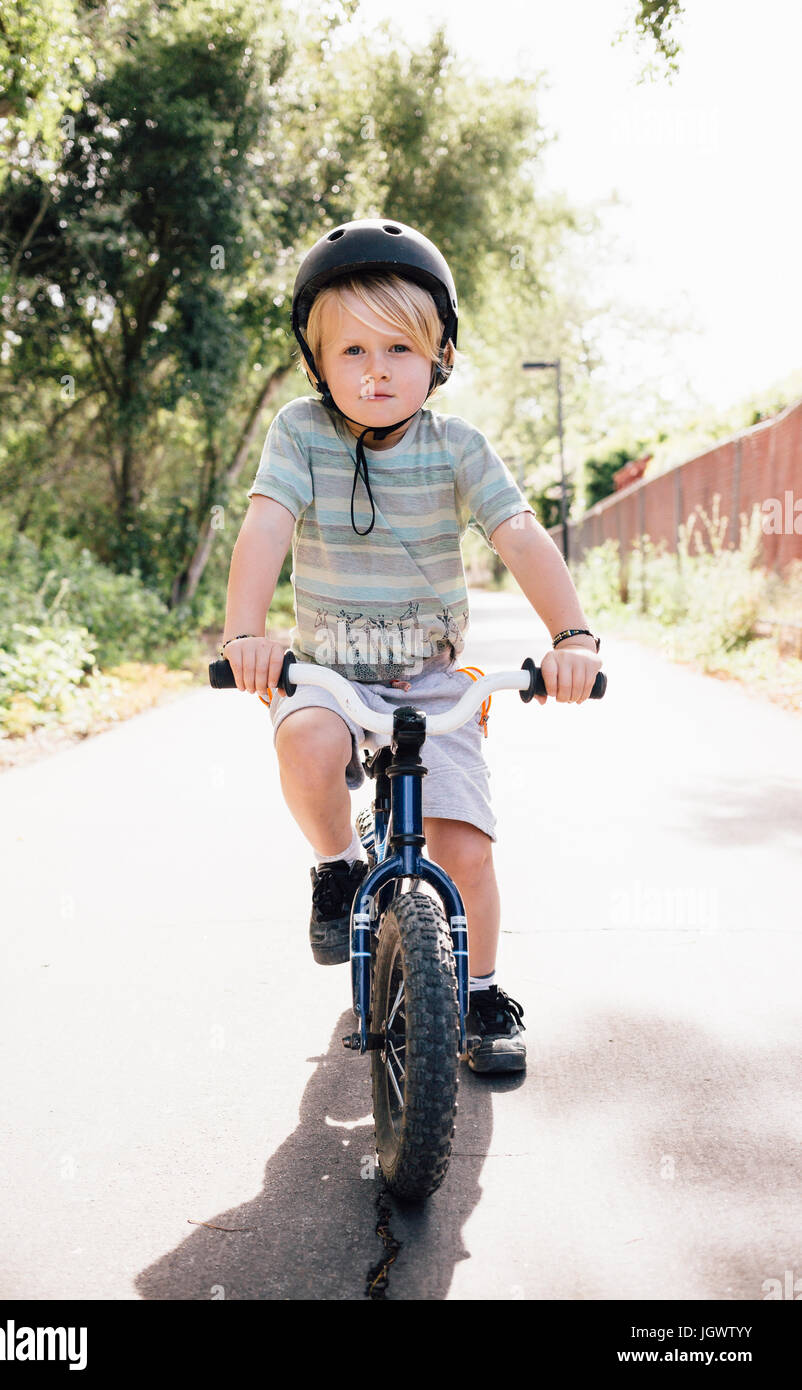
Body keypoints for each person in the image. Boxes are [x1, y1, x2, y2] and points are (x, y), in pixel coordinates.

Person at [221, 218, 602, 1073]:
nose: (377, 369)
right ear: (318, 363)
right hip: (326, 672)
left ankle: (478, 992)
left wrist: (571, 636)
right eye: (351, 350)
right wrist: (246, 632)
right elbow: (264, 527)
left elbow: (522, 537)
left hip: (433, 677)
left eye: (399, 347)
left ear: (440, 356)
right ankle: (334, 864)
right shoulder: (299, 433)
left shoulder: (458, 447)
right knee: (308, 741)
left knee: (462, 844)